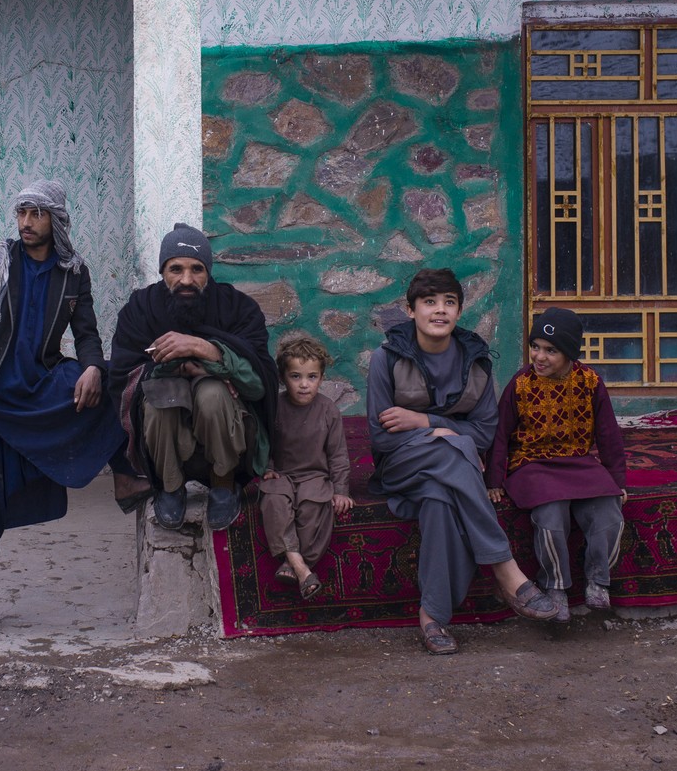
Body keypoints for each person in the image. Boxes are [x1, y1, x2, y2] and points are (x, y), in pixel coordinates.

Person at [0, 179, 147, 638]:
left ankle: (125, 476)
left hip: (39, 386)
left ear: (56, 220)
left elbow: (86, 333)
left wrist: (92, 367)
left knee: (117, 381)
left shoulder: (73, 272)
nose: (26, 222)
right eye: (22, 213)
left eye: (37, 214)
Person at [367, 267, 562, 656]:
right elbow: (381, 437)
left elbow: (485, 433)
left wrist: (426, 422)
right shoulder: (386, 359)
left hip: (443, 475)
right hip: (400, 465)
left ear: (459, 311)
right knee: (454, 448)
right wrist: (450, 436)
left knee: (439, 498)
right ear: (411, 310)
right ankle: (506, 570)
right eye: (429, 302)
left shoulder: (475, 361)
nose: (440, 310)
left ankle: (432, 616)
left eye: (449, 302)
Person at [110, 223, 277, 532]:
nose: (186, 280)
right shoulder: (140, 309)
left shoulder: (238, 308)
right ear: (162, 271)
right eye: (176, 269)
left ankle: (224, 484)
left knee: (212, 393)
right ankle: (170, 487)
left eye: (196, 269)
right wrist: (176, 366)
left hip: (228, 436)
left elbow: (259, 384)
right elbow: (122, 379)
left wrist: (207, 350)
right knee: (162, 396)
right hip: (165, 439)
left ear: (208, 272)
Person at [486, 307, 627, 619]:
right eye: (535, 347)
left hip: (578, 462)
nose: (539, 357)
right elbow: (500, 433)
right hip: (532, 464)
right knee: (550, 513)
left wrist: (617, 481)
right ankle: (556, 586)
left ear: (569, 353)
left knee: (609, 510)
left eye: (551, 350)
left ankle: (598, 580)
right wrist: (494, 480)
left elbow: (608, 434)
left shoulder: (589, 382)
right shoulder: (521, 384)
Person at [257, 335, 353, 600]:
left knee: (314, 509)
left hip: (314, 476)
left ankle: (294, 563)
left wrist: (341, 490)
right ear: (282, 378)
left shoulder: (328, 410)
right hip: (282, 474)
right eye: (295, 376)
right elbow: (263, 442)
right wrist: (267, 466)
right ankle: (302, 570)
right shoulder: (275, 407)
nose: (303, 384)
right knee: (273, 501)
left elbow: (338, 455)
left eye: (312, 377)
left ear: (321, 378)